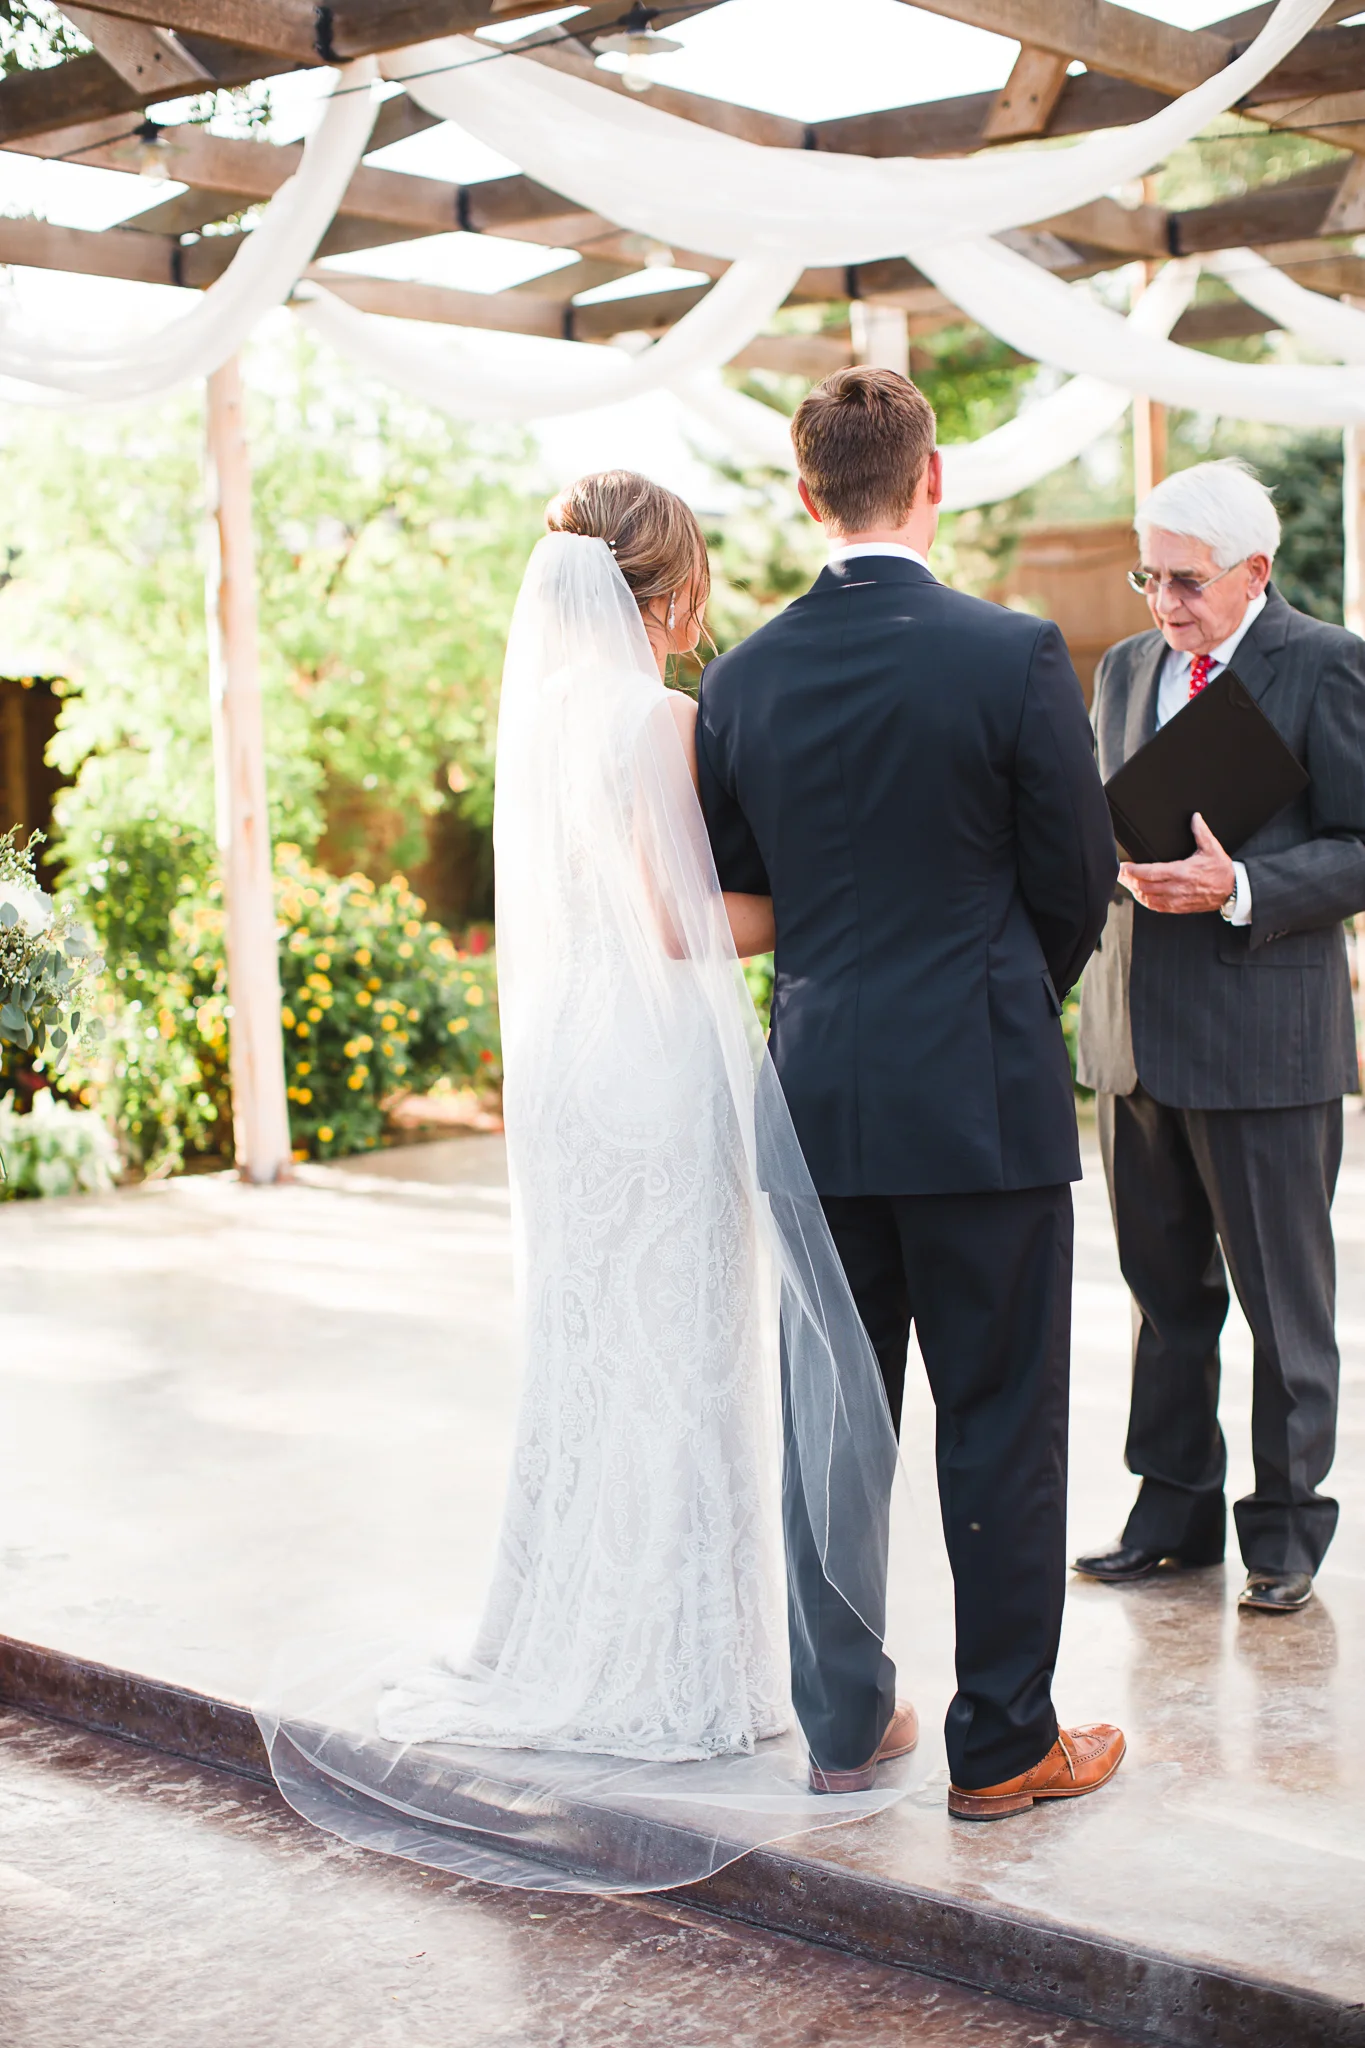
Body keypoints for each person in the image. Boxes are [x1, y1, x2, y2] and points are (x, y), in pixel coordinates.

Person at [260, 472, 914, 1890]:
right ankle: (683, 1667)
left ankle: (561, 1626)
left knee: (592, 1357)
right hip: (654, 1083)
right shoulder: (655, 718)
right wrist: (841, 892)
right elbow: (682, 926)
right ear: (669, 598)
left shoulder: (542, 719)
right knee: (682, 1355)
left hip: (565, 1077)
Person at [696, 367, 1125, 1821]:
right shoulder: (1011, 654)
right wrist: (1002, 1003)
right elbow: (1074, 888)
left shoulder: (741, 680)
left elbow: (746, 897)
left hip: (813, 1101)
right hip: (984, 1100)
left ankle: (841, 1725)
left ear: (807, 495)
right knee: (1000, 1419)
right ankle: (1001, 1748)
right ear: (932, 479)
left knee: (830, 1422)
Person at [1075, 458, 1365, 1614]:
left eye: (1187, 581)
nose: (1163, 603)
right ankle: (1172, 1513)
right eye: (1148, 574)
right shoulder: (1125, 668)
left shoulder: (1329, 665)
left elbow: (1359, 844)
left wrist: (1241, 883)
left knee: (1282, 1302)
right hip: (1133, 1035)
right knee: (1161, 1297)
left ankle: (1287, 1531)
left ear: (1256, 569)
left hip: (1265, 1041)